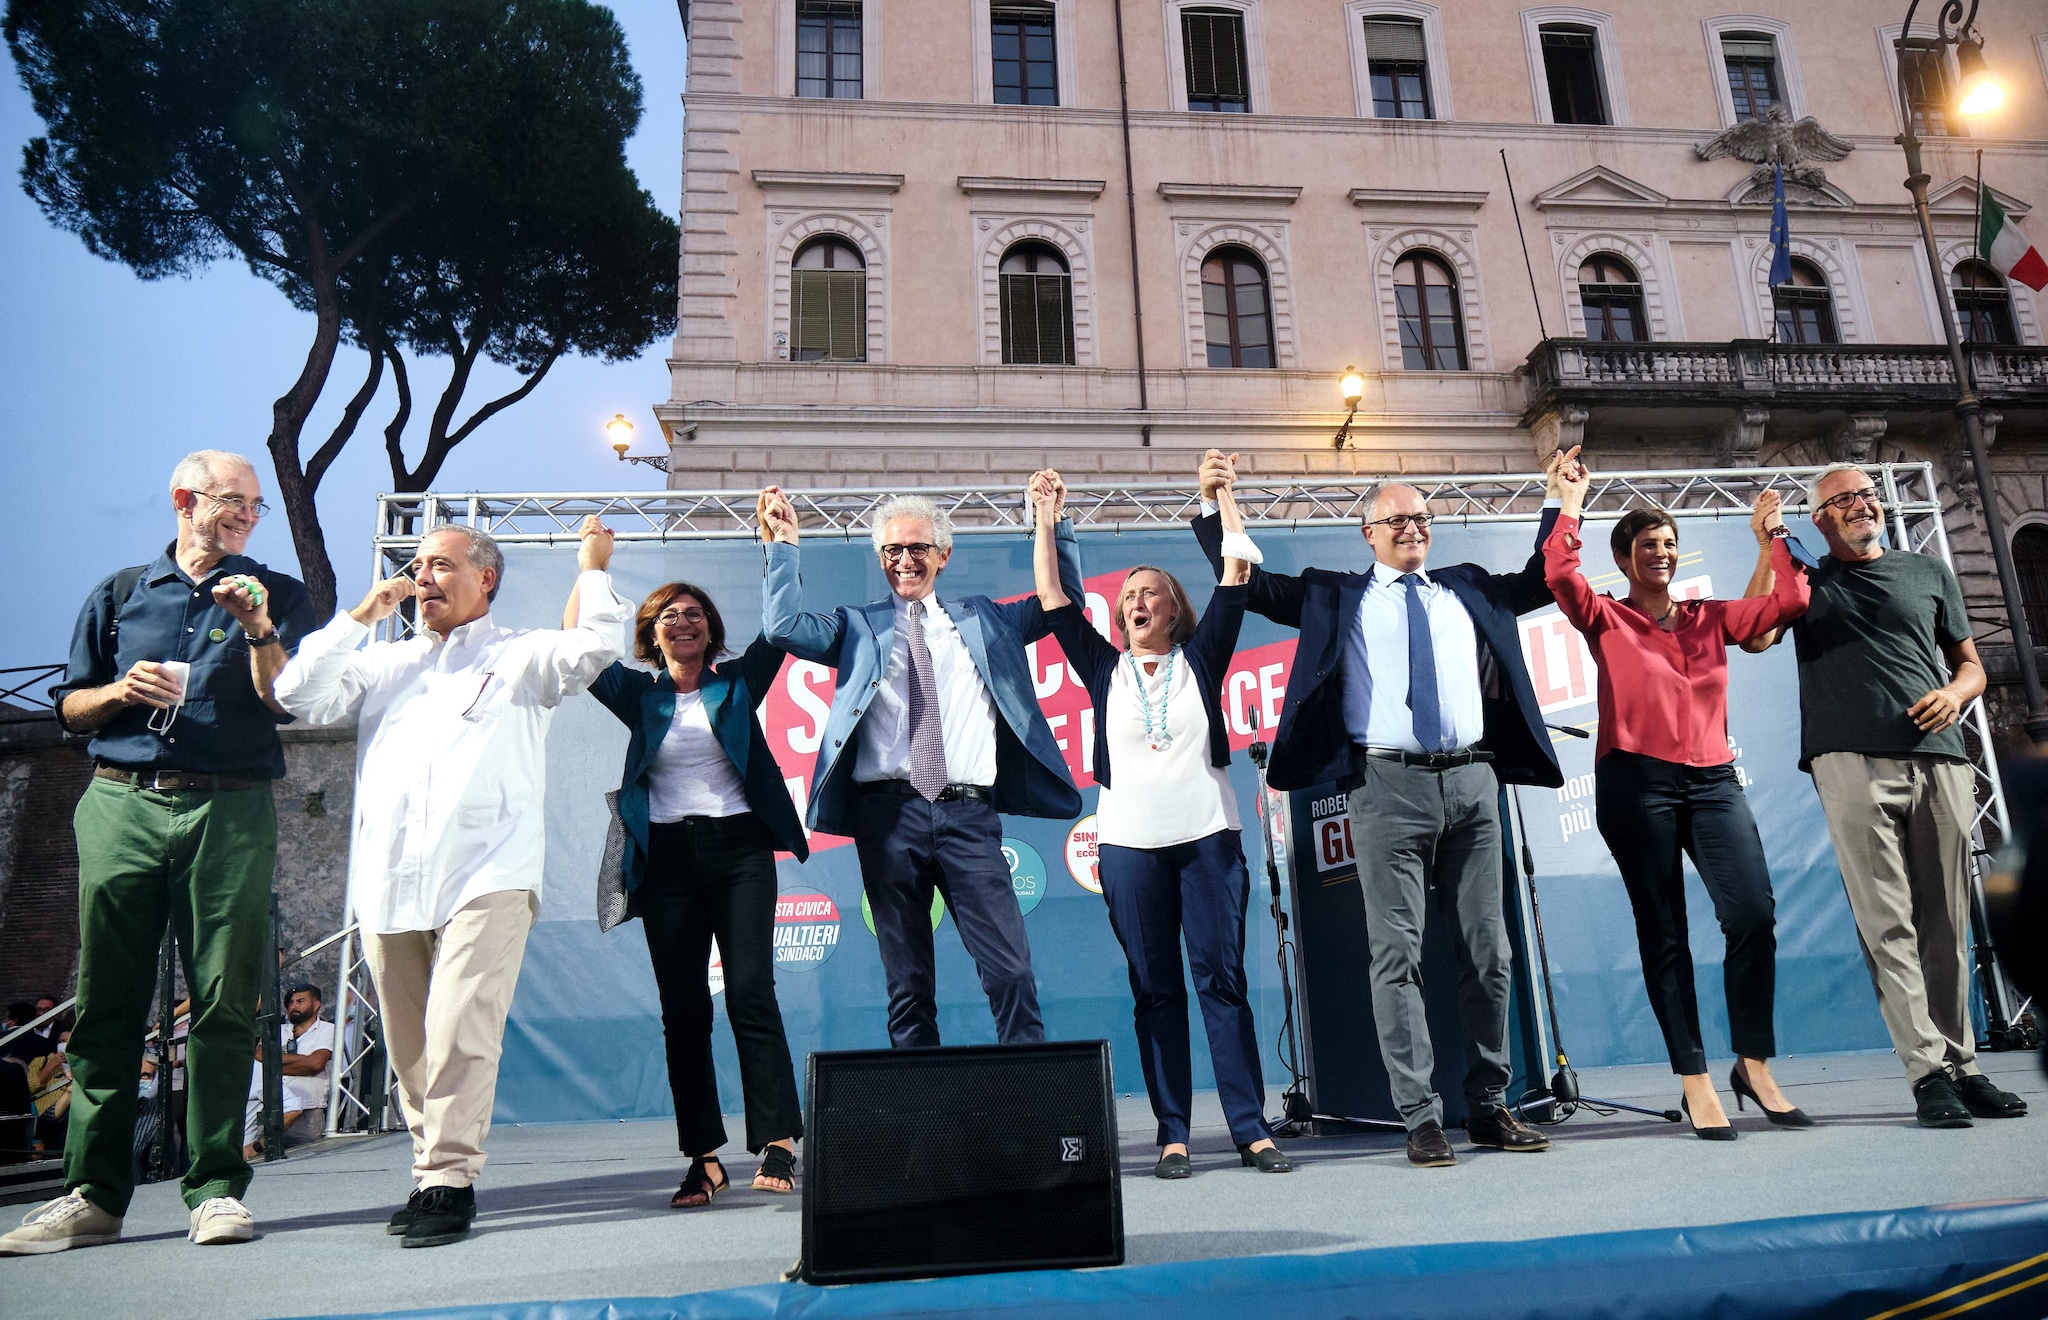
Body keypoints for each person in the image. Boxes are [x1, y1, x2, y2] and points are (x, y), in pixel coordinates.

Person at [1192, 450, 1569, 1168]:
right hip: (1384, 787)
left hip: (1473, 786)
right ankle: (1419, 1116)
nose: (1410, 527)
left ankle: (1489, 1105)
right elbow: (1246, 576)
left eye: (1421, 516)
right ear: (1367, 533)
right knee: (1395, 955)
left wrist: (1560, 499)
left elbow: (1546, 576)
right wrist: (1219, 501)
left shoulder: (1471, 588)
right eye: (1395, 518)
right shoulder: (1334, 596)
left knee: (1490, 953)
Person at [274, 516, 628, 1247]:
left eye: (440, 563)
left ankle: (450, 1179)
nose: (422, 576)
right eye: (417, 563)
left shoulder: (522, 653)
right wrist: (360, 616)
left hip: (489, 871)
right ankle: (429, 1165)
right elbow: (298, 693)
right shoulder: (382, 663)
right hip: (390, 877)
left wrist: (591, 567)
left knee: (459, 1023)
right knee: (410, 1040)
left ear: (485, 577)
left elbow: (596, 646)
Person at [2, 451, 312, 1256]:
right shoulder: (117, 593)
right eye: (231, 501)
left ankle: (214, 1189)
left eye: (254, 505)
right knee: (105, 999)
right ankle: (92, 1196)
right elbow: (71, 704)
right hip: (118, 800)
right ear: (185, 499)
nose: (246, 514)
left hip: (231, 804)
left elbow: (286, 701)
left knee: (223, 998)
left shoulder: (277, 593)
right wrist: (118, 692)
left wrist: (259, 630)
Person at [1740, 461, 2030, 1129]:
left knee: (1947, 922)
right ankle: (1927, 1072)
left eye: (1867, 494)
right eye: (1843, 500)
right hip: (1851, 761)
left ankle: (1964, 1065)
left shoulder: (1927, 574)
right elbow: (1755, 634)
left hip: (1943, 762)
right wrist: (1765, 547)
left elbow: (1972, 667)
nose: (1861, 505)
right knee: (1888, 924)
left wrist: (1955, 694)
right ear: (1820, 520)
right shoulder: (1805, 578)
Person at [757, 480, 1083, 1048]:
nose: (904, 561)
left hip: (969, 819)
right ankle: (922, 1126)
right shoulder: (855, 624)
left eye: (917, 549)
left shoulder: (986, 619)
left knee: (1011, 973)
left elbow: (1065, 603)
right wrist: (783, 546)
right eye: (892, 551)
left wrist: (1053, 523)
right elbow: (781, 628)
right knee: (908, 985)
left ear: (943, 555)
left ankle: (1031, 1108)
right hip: (887, 818)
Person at [1032, 460, 1289, 1178]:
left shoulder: (1202, 658)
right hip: (1127, 847)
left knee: (1221, 981)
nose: (1139, 600)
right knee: (1155, 990)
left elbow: (1237, 572)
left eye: (1153, 593)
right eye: (1130, 596)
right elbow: (1053, 594)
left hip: (1208, 838)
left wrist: (1222, 495)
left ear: (1174, 609)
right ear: (1121, 616)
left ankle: (1250, 1127)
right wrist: (1045, 515)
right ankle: (1172, 1131)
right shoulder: (1101, 666)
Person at [1545, 453, 1812, 1138]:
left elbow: (1791, 602)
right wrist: (1566, 502)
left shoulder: (1707, 615)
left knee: (1751, 912)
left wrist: (1775, 537)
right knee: (1664, 929)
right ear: (1625, 559)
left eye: (1668, 544)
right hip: (1636, 783)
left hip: (1714, 781)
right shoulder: (1605, 617)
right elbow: (1557, 574)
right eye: (1647, 546)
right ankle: (1695, 1077)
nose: (1661, 553)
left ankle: (1752, 1064)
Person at [577, 579, 808, 1207]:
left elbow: (781, 627)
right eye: (671, 616)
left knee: (751, 994)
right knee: (683, 1012)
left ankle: (780, 1140)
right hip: (668, 861)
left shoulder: (737, 680)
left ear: (711, 628)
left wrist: (778, 548)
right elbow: (585, 653)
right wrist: (591, 571)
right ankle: (703, 1159)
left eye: (696, 614)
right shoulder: (638, 694)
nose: (684, 623)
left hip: (740, 853)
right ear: (652, 633)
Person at [241, 984, 336, 1158]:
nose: (294, 1006)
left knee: (308, 1160)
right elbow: (259, 1057)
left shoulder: (327, 1030)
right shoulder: (277, 1030)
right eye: (291, 1002)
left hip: (307, 1111)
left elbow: (315, 1064)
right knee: (264, 1159)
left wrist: (273, 1064)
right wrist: (302, 1062)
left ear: (316, 1005)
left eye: (300, 1001)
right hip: (272, 1111)